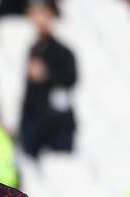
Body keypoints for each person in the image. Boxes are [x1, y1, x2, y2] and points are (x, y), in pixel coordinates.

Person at [18, 1, 76, 156]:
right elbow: (29, 93)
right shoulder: (33, 49)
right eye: (35, 13)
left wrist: (46, 75)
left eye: (43, 13)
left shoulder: (63, 51)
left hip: (57, 127)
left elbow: (71, 80)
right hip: (35, 126)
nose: (39, 19)